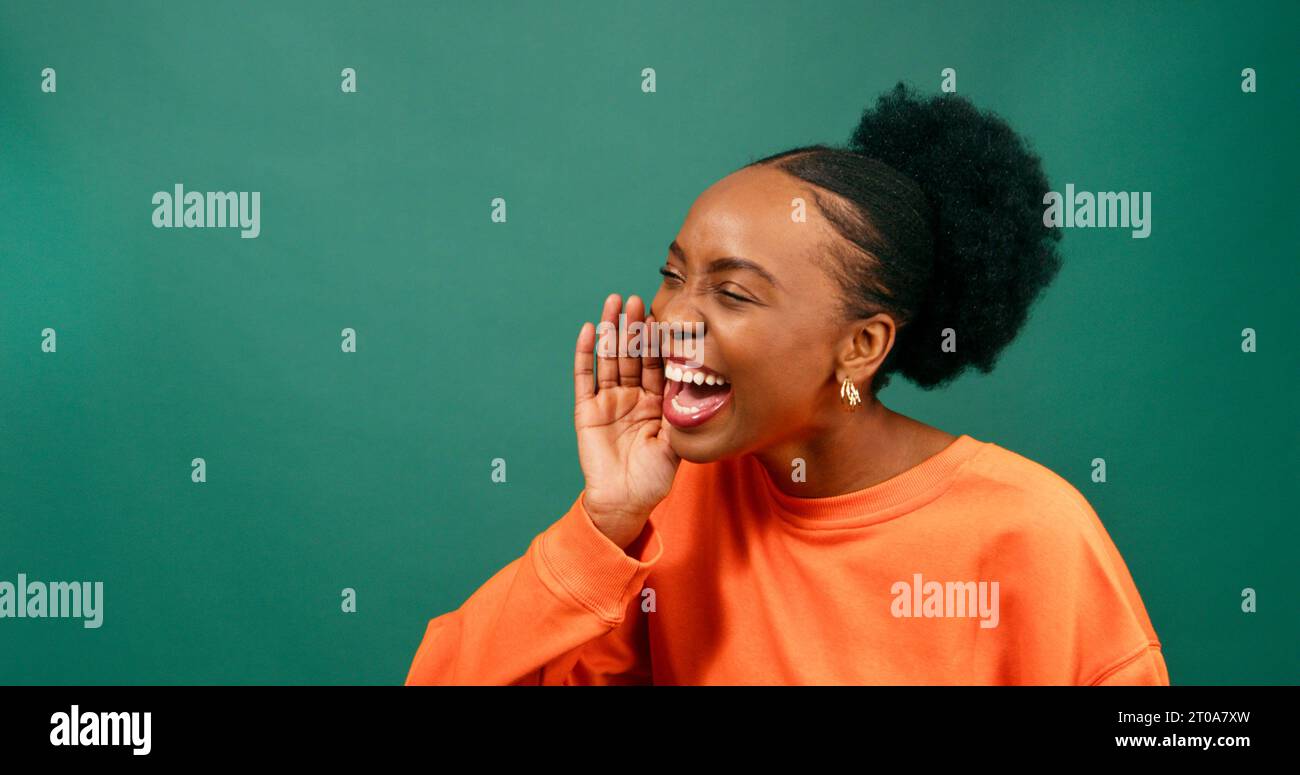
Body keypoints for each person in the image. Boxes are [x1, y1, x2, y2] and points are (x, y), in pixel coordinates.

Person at [404, 82, 1169, 685]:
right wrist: (603, 526)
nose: (672, 318)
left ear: (861, 345)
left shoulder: (1033, 533)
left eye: (732, 294)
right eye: (673, 275)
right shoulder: (670, 506)